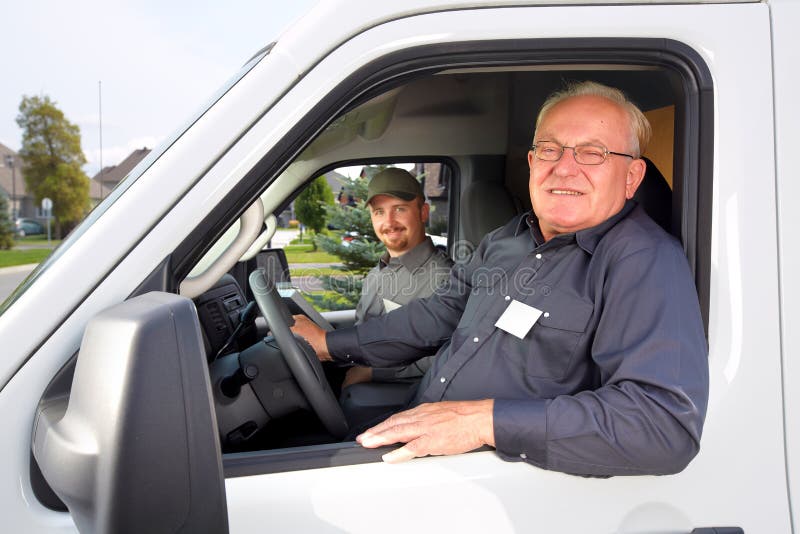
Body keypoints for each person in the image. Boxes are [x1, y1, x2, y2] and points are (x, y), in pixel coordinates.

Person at [292, 81, 708, 477]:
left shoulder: (643, 261)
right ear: (532, 162)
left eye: (592, 153)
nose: (564, 168)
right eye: (550, 150)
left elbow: (663, 425)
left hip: (483, 478)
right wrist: (330, 345)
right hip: (418, 433)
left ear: (632, 177)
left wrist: (481, 422)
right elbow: (439, 314)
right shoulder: (507, 239)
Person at [342, 167, 453, 388]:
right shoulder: (376, 274)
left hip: (402, 399)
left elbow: (448, 357)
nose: (389, 222)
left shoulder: (446, 279)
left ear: (423, 212)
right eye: (379, 212)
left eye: (400, 209)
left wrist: (373, 373)